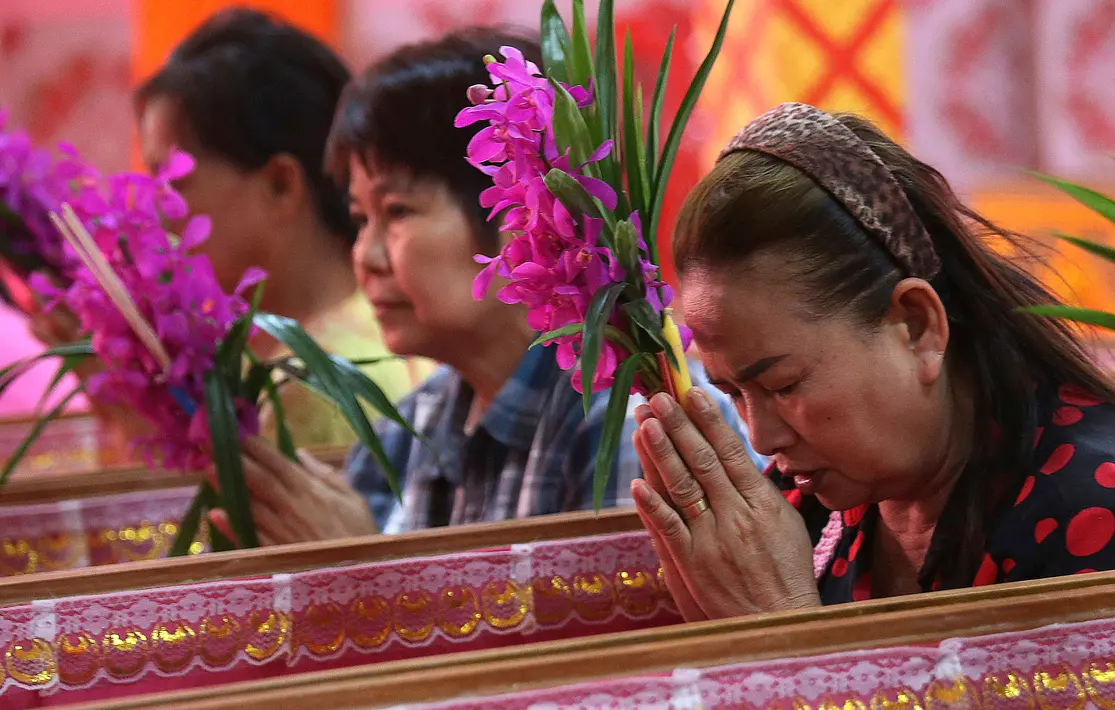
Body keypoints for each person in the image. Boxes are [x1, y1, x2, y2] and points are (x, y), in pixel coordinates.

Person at [630, 102, 1115, 619]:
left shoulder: (1108, 512)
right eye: (734, 394)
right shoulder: (809, 498)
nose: (762, 439)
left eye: (784, 385)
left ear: (918, 325)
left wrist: (782, 635)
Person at [206, 30, 754, 543]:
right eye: (360, 218)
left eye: (397, 212)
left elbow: (626, 619)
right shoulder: (406, 433)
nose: (365, 257)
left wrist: (363, 567)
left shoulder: (626, 420)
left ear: (524, 216)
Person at [31, 8, 428, 454]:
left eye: (174, 183)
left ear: (280, 185)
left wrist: (134, 418)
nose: (154, 215)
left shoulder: (319, 385)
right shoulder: (303, 344)